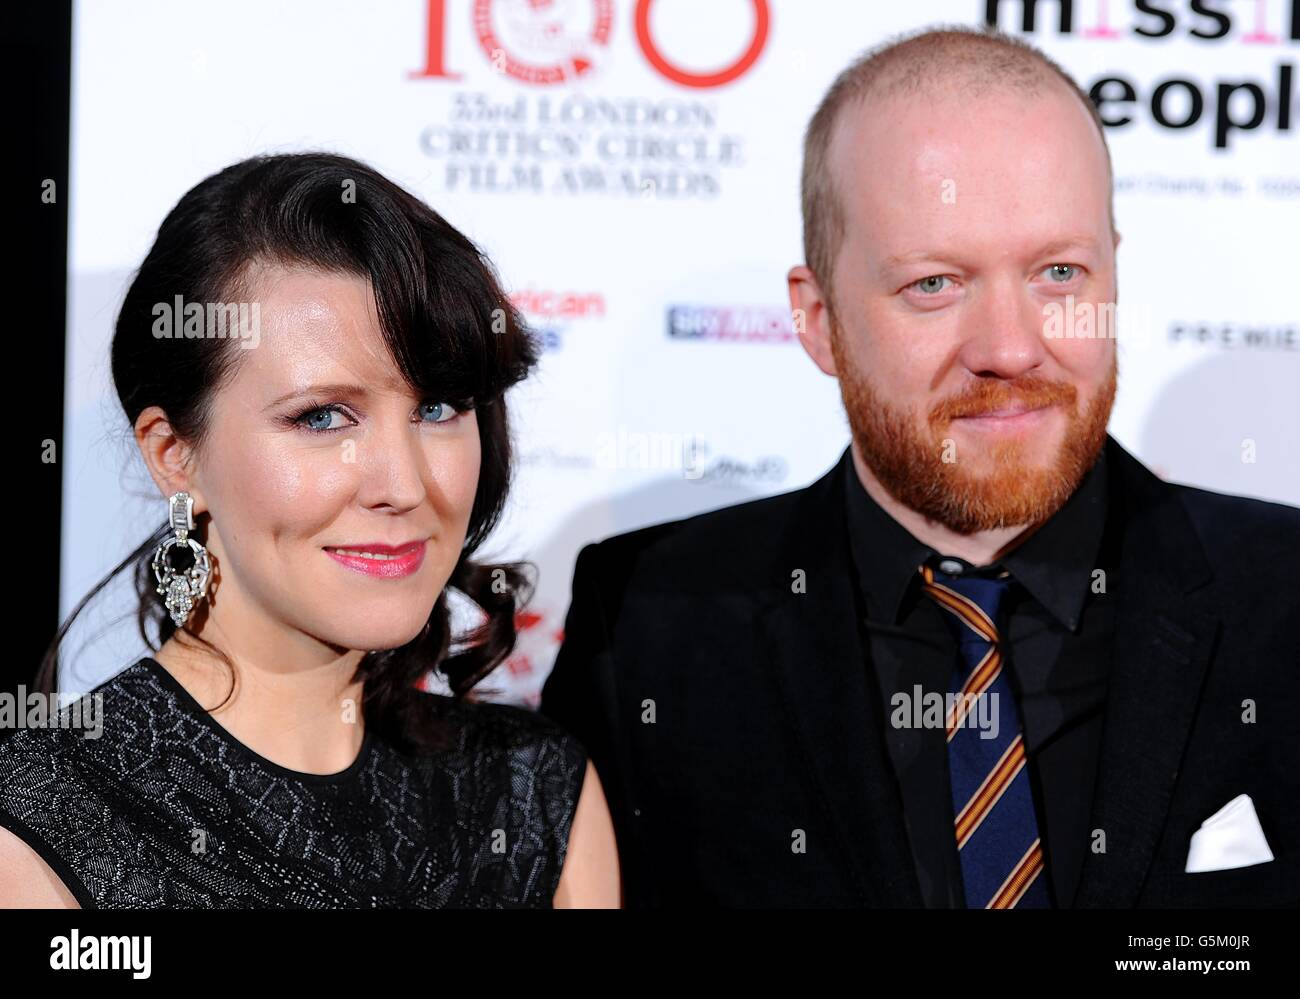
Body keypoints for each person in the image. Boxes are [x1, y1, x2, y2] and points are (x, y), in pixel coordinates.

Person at [540, 26, 1300, 907]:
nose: (1012, 350)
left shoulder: (1283, 598)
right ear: (819, 318)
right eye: (934, 284)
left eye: (1060, 272)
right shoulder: (645, 623)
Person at [0, 152, 620, 909]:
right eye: (321, 416)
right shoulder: (40, 827)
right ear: (175, 455)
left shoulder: (535, 791)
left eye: (437, 408)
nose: (403, 485)